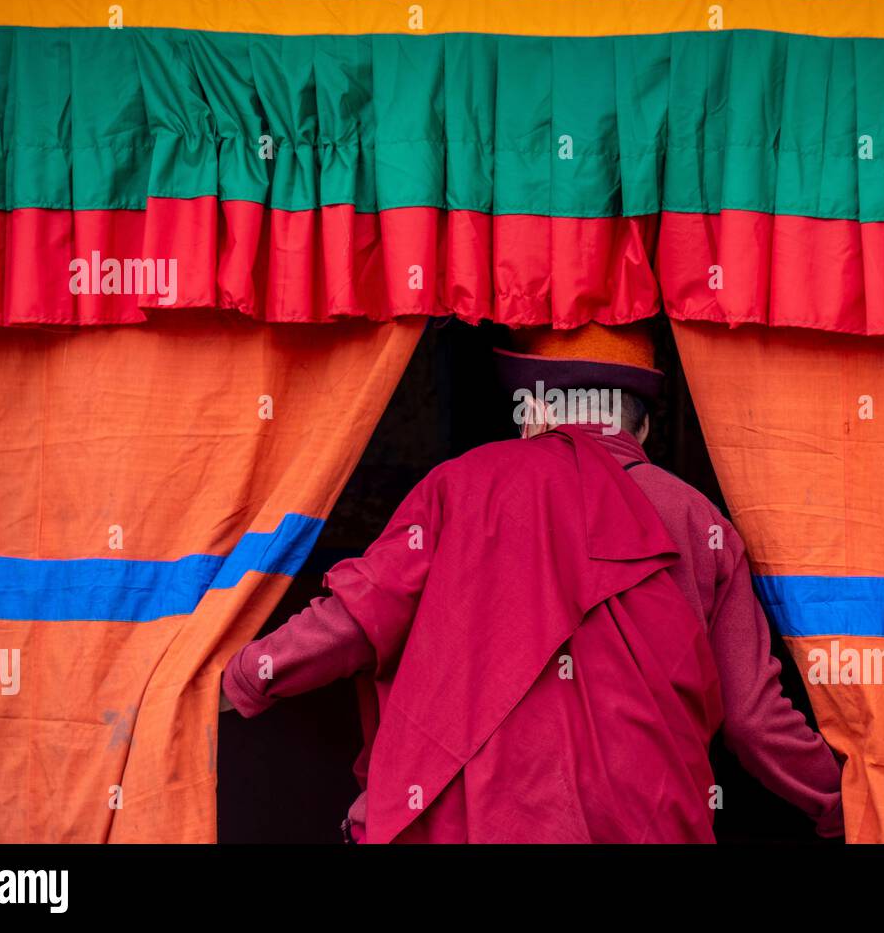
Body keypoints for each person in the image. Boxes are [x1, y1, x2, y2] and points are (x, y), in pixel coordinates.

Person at [221, 322, 844, 843]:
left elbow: (355, 620)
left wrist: (244, 675)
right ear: (642, 430)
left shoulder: (461, 487)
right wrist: (847, 804)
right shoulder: (699, 522)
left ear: (534, 410)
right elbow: (754, 721)